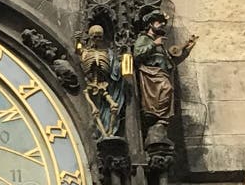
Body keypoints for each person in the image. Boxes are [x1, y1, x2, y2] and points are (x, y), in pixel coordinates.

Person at [133, 9, 196, 142]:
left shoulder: (160, 44)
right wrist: (153, 44)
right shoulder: (144, 38)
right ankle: (156, 119)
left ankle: (160, 120)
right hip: (151, 75)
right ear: (150, 24)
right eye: (158, 21)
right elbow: (137, 54)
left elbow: (169, 62)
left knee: (167, 90)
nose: (162, 24)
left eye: (163, 22)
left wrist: (186, 51)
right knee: (167, 89)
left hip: (161, 74)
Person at [77, 25, 125, 136]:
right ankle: (103, 133)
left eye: (100, 37)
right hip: (91, 85)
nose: (98, 40)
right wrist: (77, 40)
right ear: (90, 37)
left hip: (104, 84)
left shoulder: (108, 53)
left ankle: (110, 132)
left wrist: (123, 62)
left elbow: (115, 68)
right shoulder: (85, 52)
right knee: (97, 110)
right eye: (95, 37)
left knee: (114, 107)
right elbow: (78, 51)